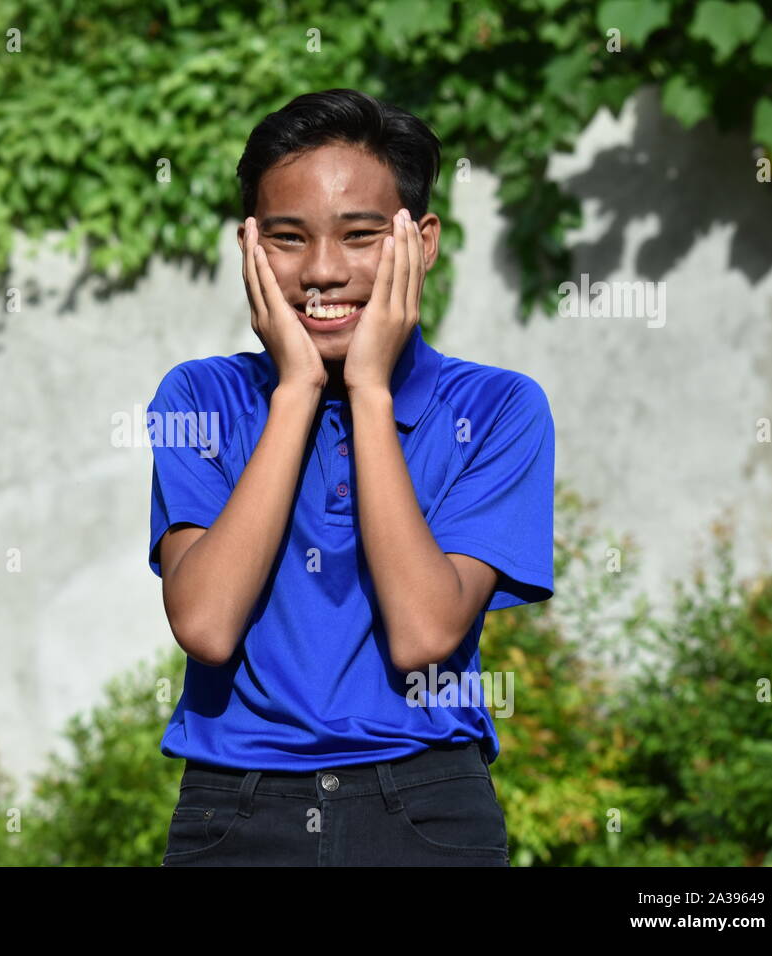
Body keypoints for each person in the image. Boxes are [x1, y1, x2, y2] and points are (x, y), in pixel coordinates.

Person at [146, 89, 554, 866]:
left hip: (428, 810)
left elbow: (425, 636)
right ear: (248, 246)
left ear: (422, 241)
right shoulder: (199, 398)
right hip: (235, 806)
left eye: (360, 236)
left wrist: (369, 393)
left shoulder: (500, 408)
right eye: (287, 239)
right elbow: (205, 624)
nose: (323, 272)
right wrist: (295, 392)